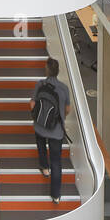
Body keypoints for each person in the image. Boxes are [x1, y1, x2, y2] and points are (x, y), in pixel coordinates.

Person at [32, 58, 70, 202]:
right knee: (56, 162)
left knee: (41, 147)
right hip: (57, 130)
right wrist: (58, 118)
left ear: (46, 70)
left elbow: (32, 103)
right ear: (58, 71)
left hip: (40, 126)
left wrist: (39, 118)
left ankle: (44, 167)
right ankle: (55, 195)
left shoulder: (39, 84)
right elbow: (67, 110)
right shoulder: (64, 88)